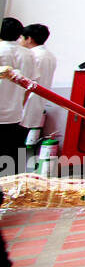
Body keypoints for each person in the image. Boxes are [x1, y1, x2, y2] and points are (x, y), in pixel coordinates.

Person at [0, 17, 35, 174]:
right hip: (15, 112)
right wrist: (20, 104)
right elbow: (29, 85)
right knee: (11, 158)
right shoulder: (28, 55)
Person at [19, 23, 56, 136]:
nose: (20, 42)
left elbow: (28, 82)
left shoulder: (32, 56)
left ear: (29, 39)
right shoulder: (50, 56)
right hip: (36, 104)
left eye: (21, 38)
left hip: (24, 104)